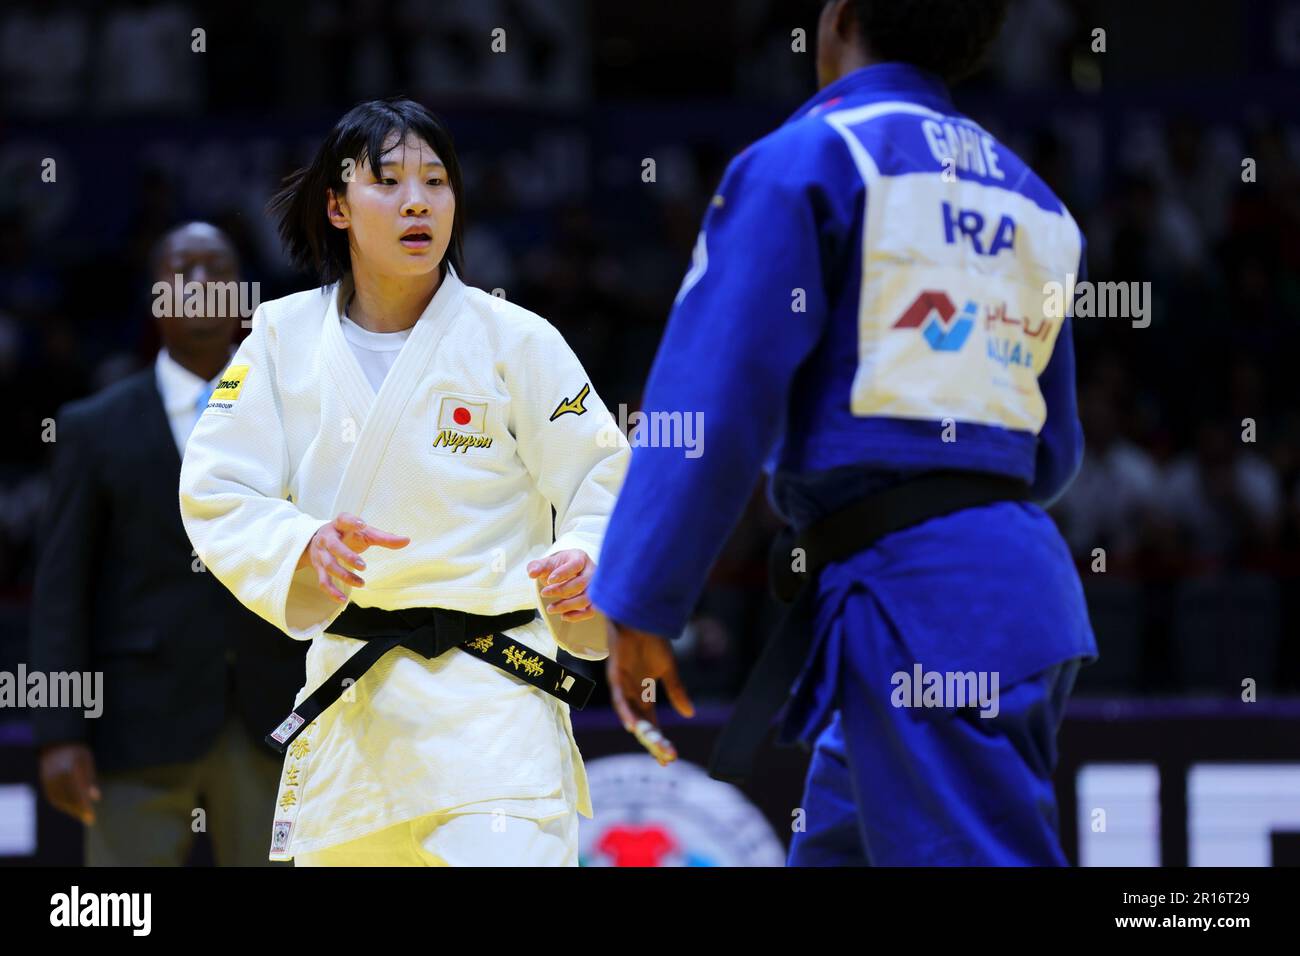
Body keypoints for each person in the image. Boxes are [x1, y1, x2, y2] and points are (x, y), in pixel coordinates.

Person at [590, 0, 1097, 866]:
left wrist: (639, 597)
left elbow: (711, 399)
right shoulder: (1032, 197)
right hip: (1013, 595)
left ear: (840, 18)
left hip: (919, 607)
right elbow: (1052, 452)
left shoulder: (813, 158)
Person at [178, 97, 629, 866]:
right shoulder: (281, 338)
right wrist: (299, 546)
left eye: (436, 180)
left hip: (495, 713)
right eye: (387, 180)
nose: (418, 199)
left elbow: (602, 477)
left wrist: (586, 559)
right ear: (338, 205)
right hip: (356, 714)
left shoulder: (515, 339)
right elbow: (217, 488)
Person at [30, 222, 307, 865]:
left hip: (276, 720)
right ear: (156, 293)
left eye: (218, 268)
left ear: (243, 296)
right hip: (134, 729)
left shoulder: (298, 413)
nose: (201, 282)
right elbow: (59, 594)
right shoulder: (93, 427)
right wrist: (56, 734)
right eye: (184, 268)